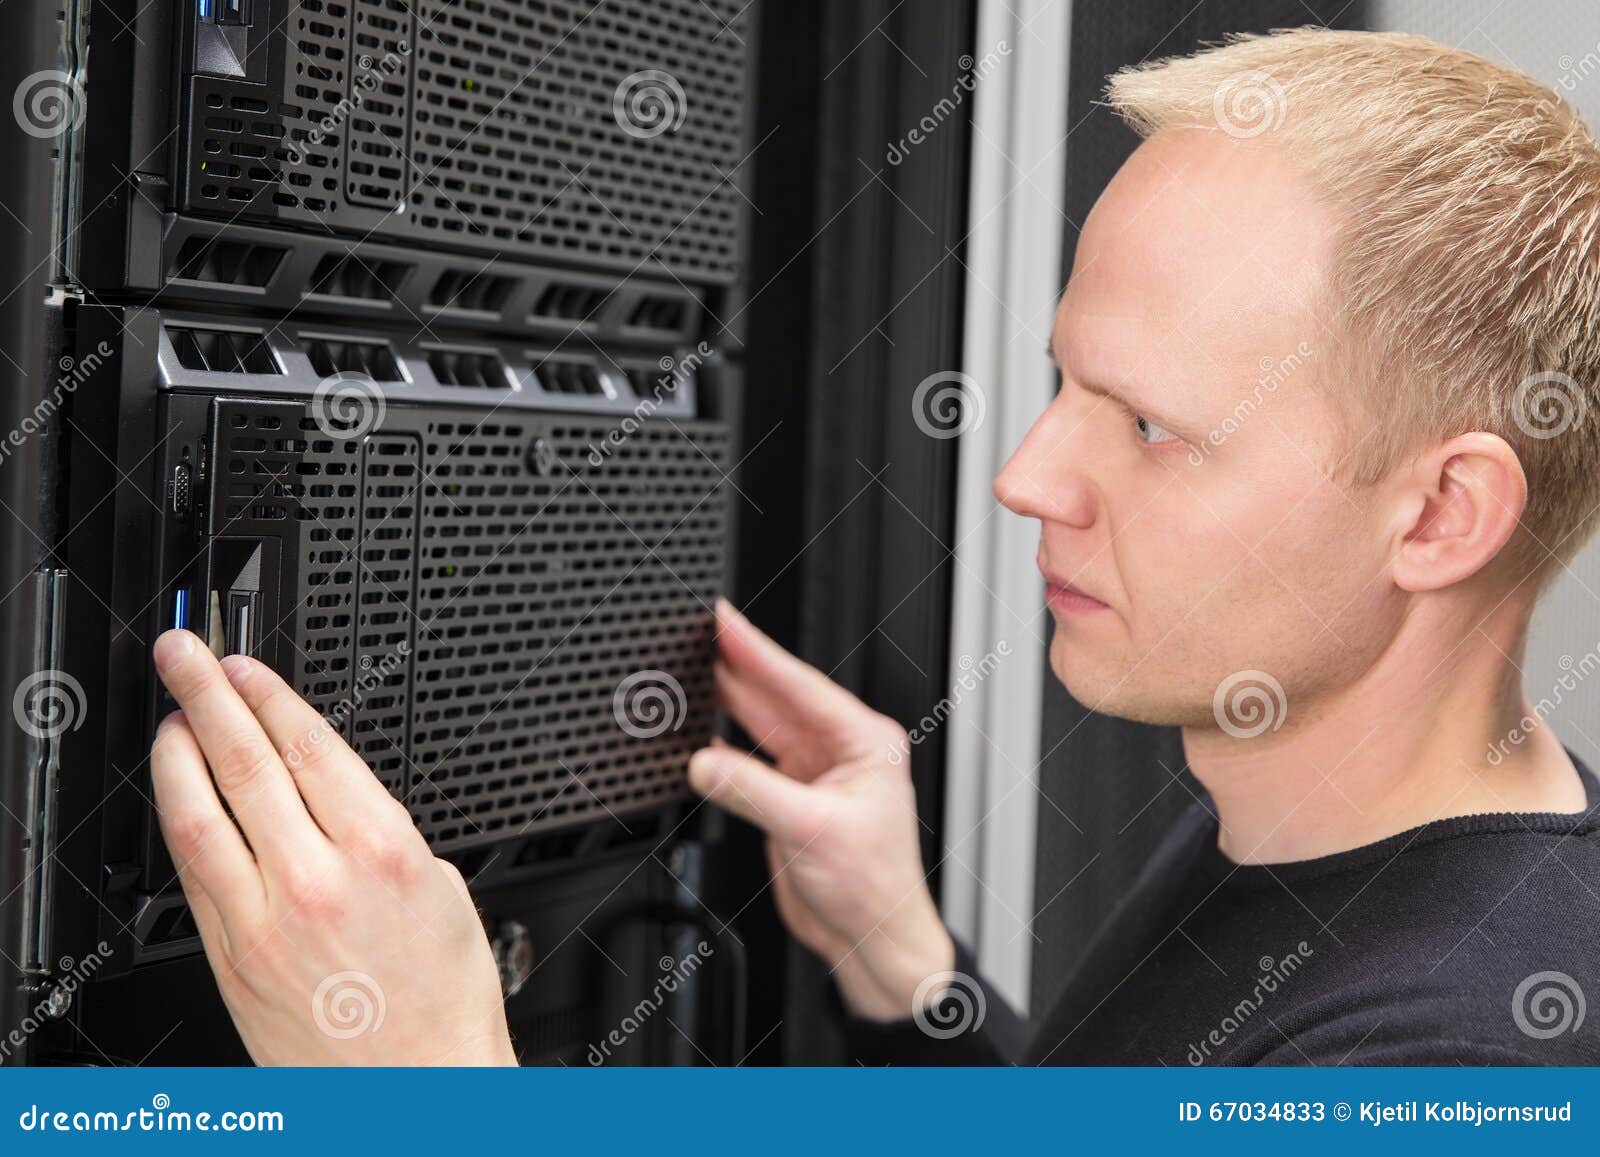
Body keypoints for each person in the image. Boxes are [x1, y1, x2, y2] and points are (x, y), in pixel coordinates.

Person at [148, 27, 1600, 1065]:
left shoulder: (1465, 1053)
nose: (1032, 477)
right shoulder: (1311, 819)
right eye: (1061, 385)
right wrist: (914, 975)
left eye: (1151, 428)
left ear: (1439, 514)